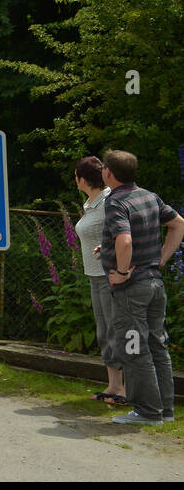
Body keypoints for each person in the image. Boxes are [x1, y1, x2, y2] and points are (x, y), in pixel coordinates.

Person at [99, 149, 184, 425]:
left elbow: (125, 241)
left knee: (134, 348)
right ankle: (165, 410)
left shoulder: (115, 202)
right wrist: (159, 259)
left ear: (109, 173)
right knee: (157, 345)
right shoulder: (149, 196)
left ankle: (147, 412)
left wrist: (122, 272)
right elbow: (178, 224)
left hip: (131, 291)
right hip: (154, 286)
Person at [72, 156, 122, 403]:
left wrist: (110, 246)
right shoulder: (90, 203)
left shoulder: (110, 200)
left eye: (76, 176)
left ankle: (125, 388)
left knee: (116, 329)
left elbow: (124, 229)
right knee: (104, 332)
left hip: (110, 274)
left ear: (82, 179)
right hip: (94, 274)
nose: (75, 180)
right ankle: (112, 385)